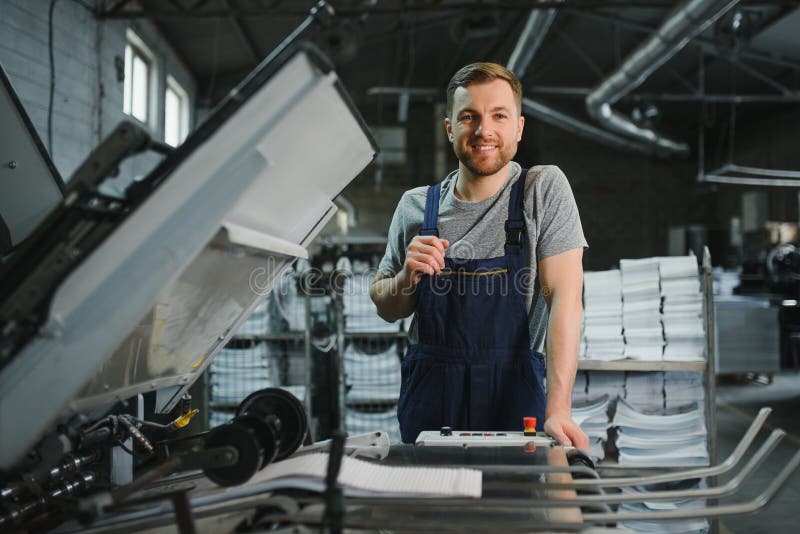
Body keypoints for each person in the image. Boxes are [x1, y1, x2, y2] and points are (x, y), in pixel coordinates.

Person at [370, 62, 589, 450]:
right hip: (432, 400)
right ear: (450, 128)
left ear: (519, 127)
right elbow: (387, 306)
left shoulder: (542, 190)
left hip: (514, 397)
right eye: (469, 117)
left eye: (499, 116)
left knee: (514, 507)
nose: (484, 130)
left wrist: (559, 408)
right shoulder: (415, 207)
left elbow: (565, 301)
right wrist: (406, 277)